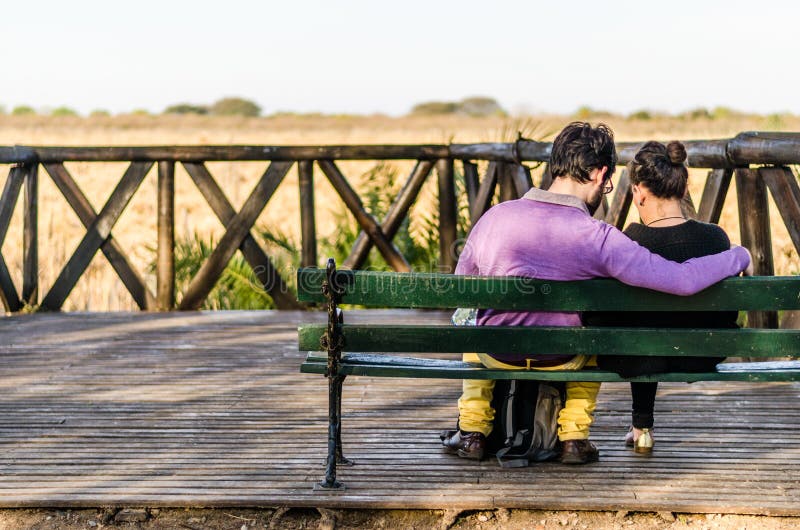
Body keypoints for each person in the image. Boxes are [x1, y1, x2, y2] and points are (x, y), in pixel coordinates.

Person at [441, 122, 752, 465]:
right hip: (563, 358)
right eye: (606, 187)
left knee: (475, 332)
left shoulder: (496, 217)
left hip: (497, 354)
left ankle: (472, 431)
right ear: (601, 174)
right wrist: (738, 255)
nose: (604, 194)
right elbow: (681, 280)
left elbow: (462, 286)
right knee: (591, 338)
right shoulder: (600, 237)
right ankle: (574, 437)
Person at [583, 141, 740, 453]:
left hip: (639, 357)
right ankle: (641, 425)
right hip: (702, 354)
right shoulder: (716, 238)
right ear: (682, 190)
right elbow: (730, 314)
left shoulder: (629, 242)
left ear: (639, 191)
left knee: (641, 334)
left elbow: (606, 318)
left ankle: (642, 427)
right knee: (649, 332)